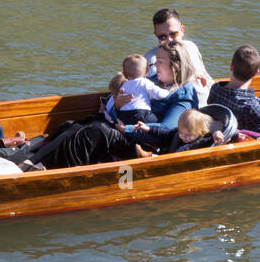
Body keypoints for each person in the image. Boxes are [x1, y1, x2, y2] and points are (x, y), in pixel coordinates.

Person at [27, 40, 200, 169]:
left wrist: (127, 128)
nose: (155, 65)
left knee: (98, 131)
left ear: (175, 66)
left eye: (160, 61)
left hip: (145, 146)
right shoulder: (152, 80)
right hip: (125, 131)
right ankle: (28, 156)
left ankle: (45, 170)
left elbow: (166, 131)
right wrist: (117, 104)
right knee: (75, 125)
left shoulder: (183, 97)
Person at [144, 7, 212, 106]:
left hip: (206, 102)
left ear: (182, 30)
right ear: (156, 35)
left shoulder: (191, 47)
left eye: (173, 34)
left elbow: (208, 80)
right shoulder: (151, 59)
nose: (169, 40)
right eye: (162, 36)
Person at [103, 54, 172, 125]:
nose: (155, 64)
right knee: (156, 122)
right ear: (147, 73)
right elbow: (159, 94)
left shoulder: (124, 85)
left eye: (160, 61)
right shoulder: (145, 82)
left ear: (124, 74)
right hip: (141, 113)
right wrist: (168, 91)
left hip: (124, 116)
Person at [206, 44, 260, 131]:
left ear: (231, 66)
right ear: (255, 74)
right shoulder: (252, 107)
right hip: (240, 142)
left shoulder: (215, 89)